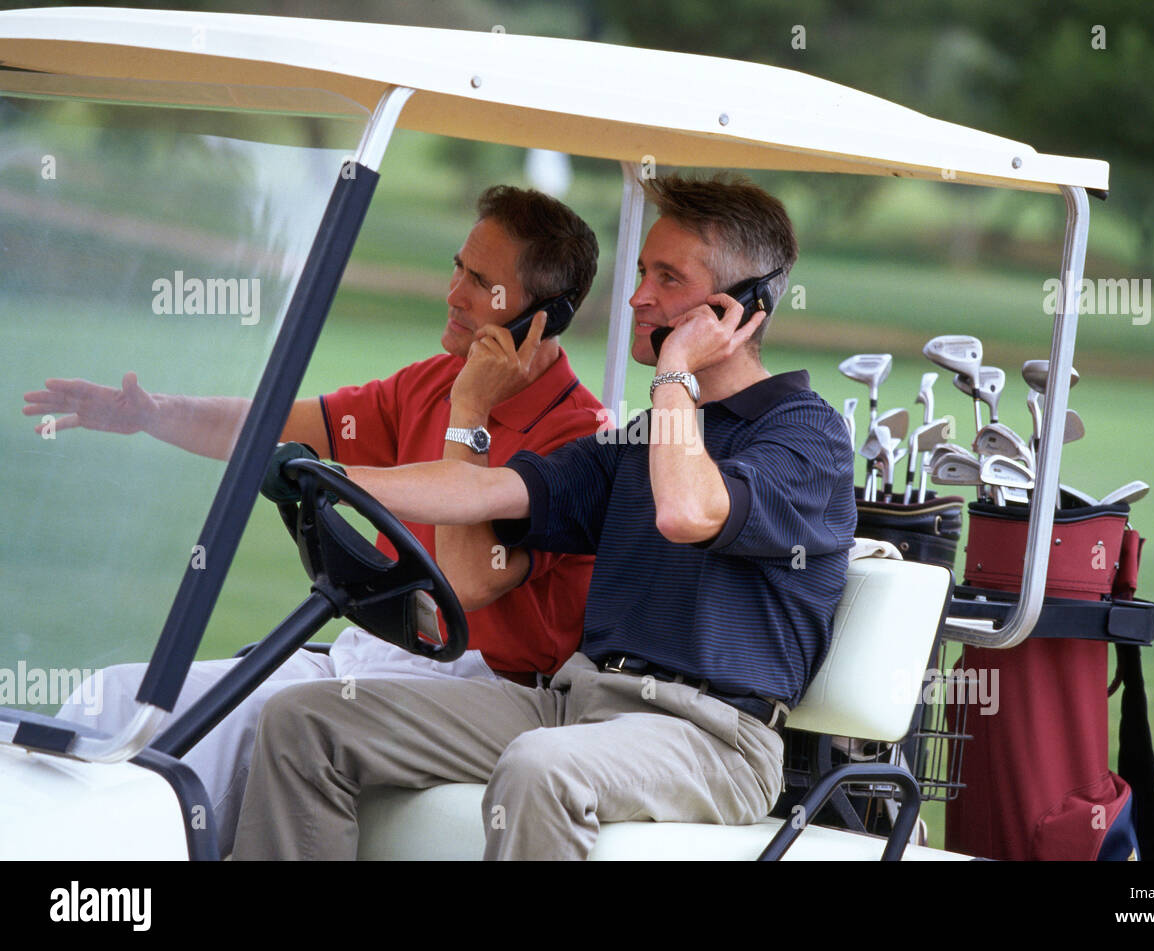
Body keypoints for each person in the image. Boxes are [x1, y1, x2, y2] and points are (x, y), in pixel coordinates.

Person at [231, 173, 857, 861]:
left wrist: (676, 370)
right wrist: (326, 477)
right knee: (303, 720)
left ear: (741, 309)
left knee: (540, 767)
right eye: (643, 270)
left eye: (667, 278)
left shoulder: (806, 435)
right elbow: (481, 491)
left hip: (714, 739)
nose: (638, 295)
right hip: (580, 705)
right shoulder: (640, 440)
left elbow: (688, 510)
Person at [23, 185, 605, 857]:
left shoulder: (575, 442)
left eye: (479, 282)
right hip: (375, 656)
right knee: (114, 699)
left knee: (252, 721)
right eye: (457, 266)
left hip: (479, 686)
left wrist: (470, 409)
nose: (451, 292)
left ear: (545, 316)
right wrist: (151, 413)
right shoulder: (429, 383)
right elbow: (274, 424)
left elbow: (465, 580)